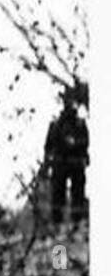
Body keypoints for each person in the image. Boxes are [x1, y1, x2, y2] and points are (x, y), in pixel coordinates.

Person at [44, 81, 88, 226]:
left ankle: (77, 223)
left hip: (75, 162)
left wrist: (76, 144)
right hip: (60, 162)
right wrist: (48, 162)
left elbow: (85, 142)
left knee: (77, 194)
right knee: (58, 195)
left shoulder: (80, 124)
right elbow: (48, 146)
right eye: (67, 99)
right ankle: (57, 225)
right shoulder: (56, 123)